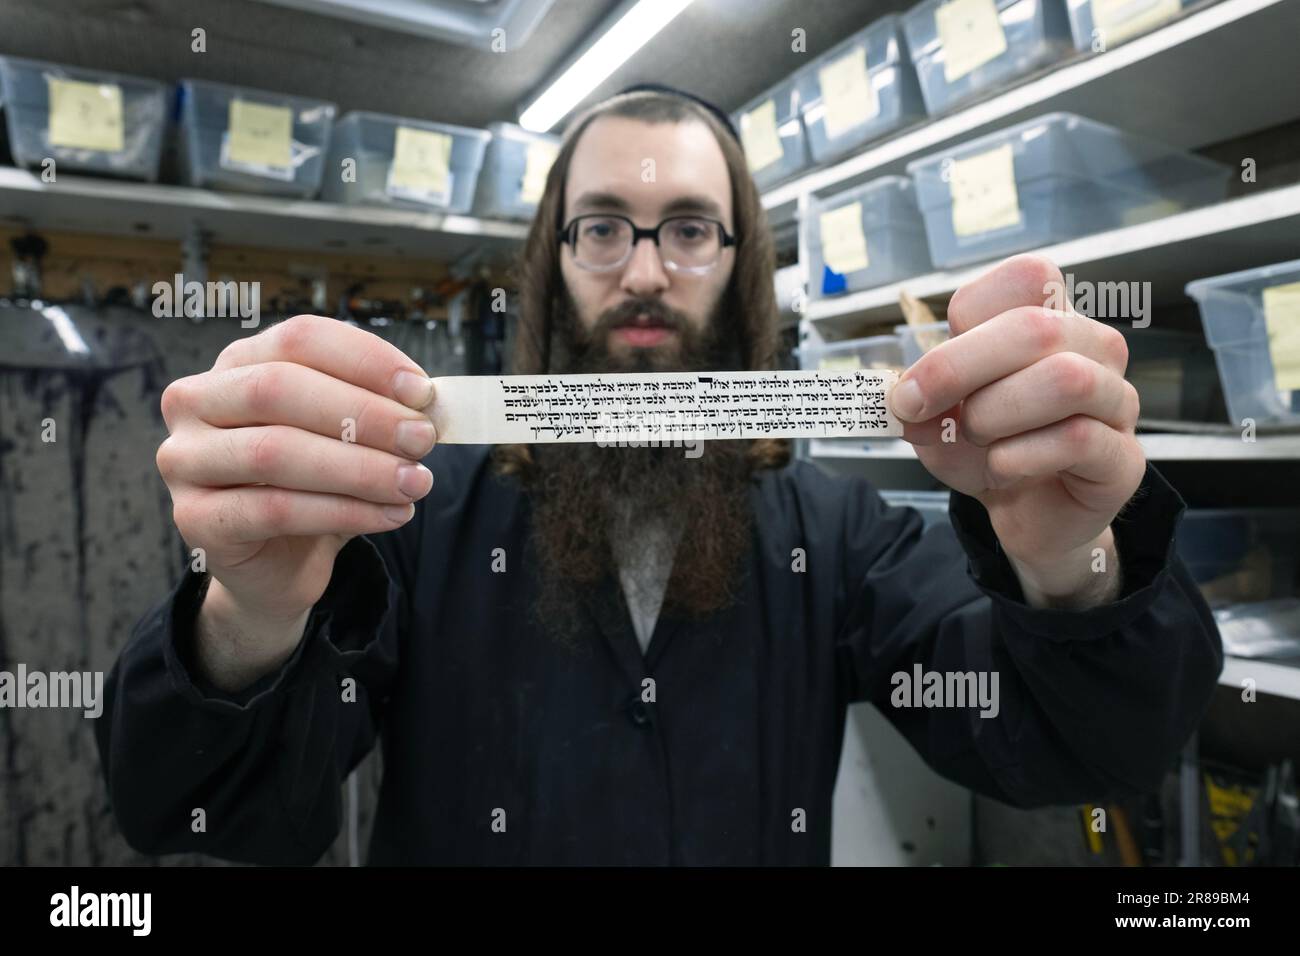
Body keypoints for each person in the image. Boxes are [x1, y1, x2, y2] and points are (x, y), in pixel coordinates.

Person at [96, 89, 1222, 866]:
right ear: (551, 265)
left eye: (689, 228)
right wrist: (248, 611)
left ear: (742, 270)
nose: (643, 269)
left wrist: (1070, 559)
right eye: (602, 229)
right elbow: (194, 806)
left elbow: (1080, 747)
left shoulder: (836, 531)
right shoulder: (410, 515)